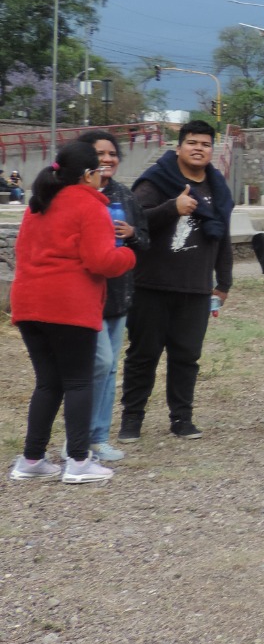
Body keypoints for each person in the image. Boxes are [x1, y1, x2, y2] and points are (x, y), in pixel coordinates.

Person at [9, 141, 138, 484]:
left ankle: (31, 458)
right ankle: (79, 461)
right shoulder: (89, 204)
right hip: (68, 304)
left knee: (48, 383)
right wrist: (129, 256)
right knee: (79, 382)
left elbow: (24, 253)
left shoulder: (38, 204)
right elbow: (102, 261)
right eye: (98, 170)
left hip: (28, 304)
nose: (102, 175)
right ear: (87, 175)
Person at [119, 120, 234, 442]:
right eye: (192, 142)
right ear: (179, 146)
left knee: (186, 358)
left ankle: (182, 419)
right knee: (143, 355)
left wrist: (223, 283)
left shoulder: (218, 190)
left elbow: (222, 238)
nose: (199, 148)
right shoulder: (156, 182)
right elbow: (133, 224)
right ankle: (132, 420)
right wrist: (173, 207)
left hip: (196, 289)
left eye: (206, 144)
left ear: (212, 149)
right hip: (151, 286)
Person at [79, 130, 150, 462]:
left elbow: (146, 242)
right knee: (95, 365)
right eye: (99, 154)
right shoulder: (75, 194)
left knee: (108, 369)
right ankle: (77, 438)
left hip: (119, 296)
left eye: (112, 154)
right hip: (84, 297)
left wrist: (133, 234)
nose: (106, 160)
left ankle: (98, 437)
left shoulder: (125, 195)